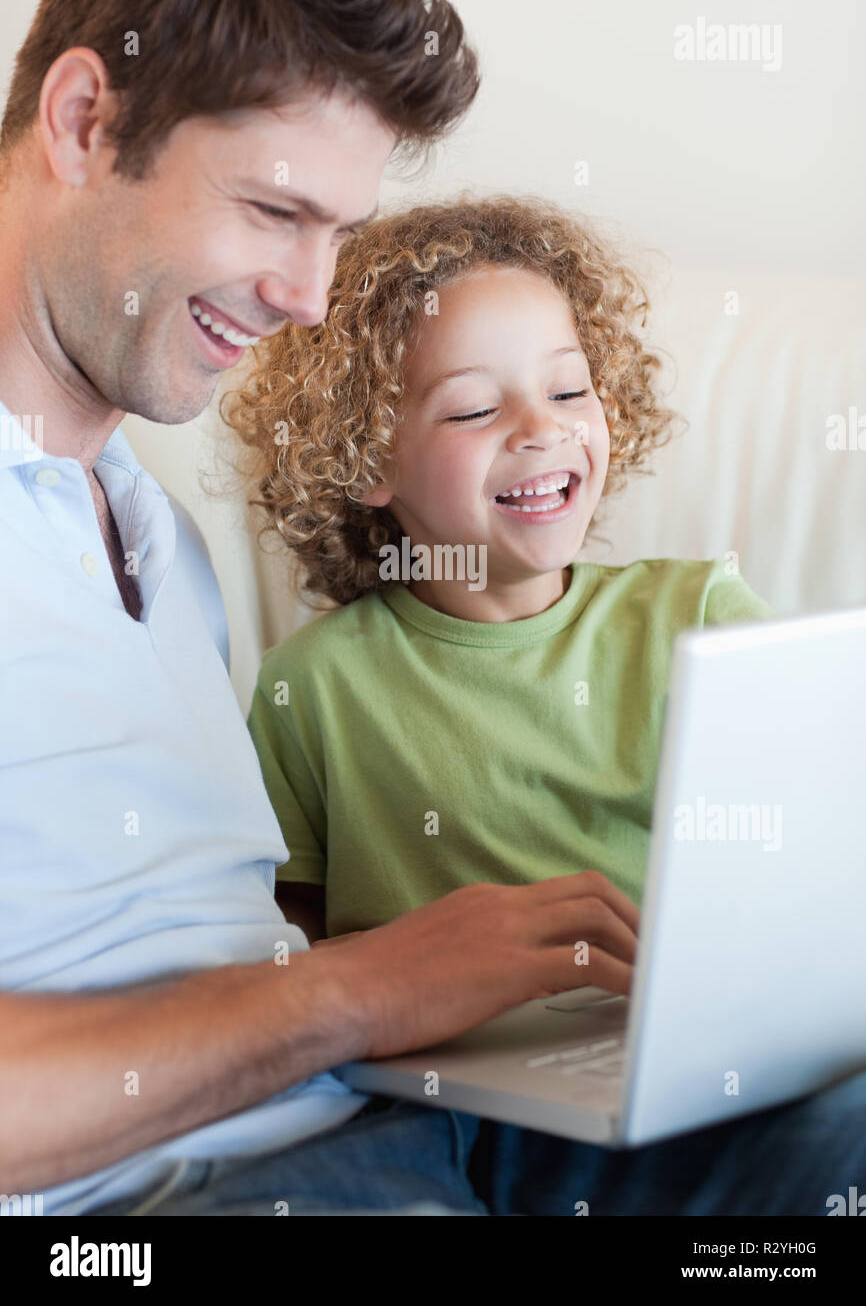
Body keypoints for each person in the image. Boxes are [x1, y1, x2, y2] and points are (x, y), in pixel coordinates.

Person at [1, 0, 863, 1219]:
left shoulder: (149, 535)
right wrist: (360, 985)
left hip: (413, 1117)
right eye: (273, 209)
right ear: (79, 119)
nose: (308, 293)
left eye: (338, 229)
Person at [226, 195, 772, 942]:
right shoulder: (310, 687)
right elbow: (290, 953)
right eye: (473, 409)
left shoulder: (702, 618)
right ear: (366, 457)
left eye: (569, 390)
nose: (543, 428)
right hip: (437, 1058)